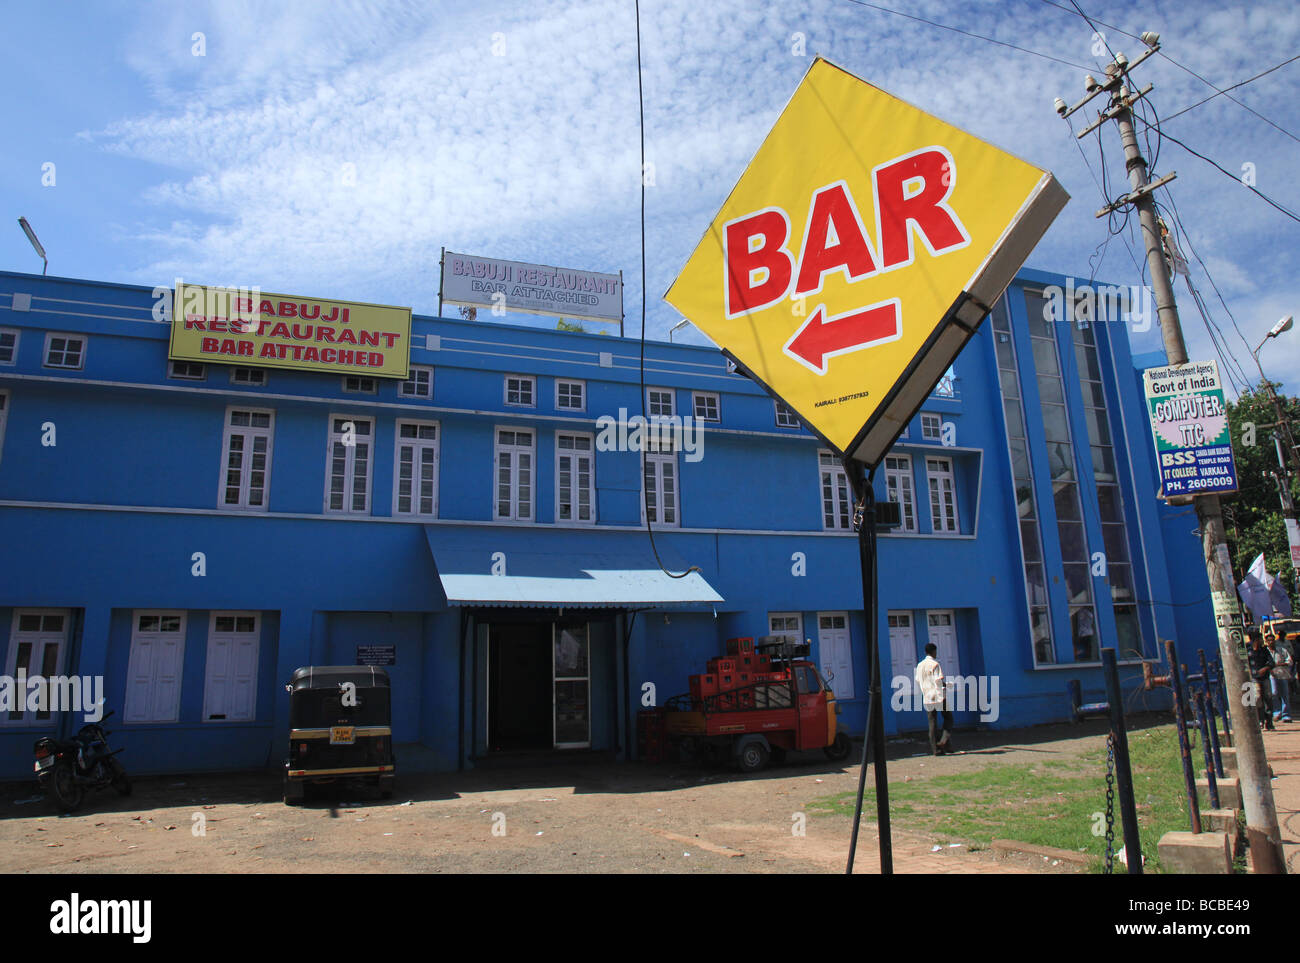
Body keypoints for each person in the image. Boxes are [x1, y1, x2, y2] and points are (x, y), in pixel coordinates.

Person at [914, 643, 954, 755]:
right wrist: (948, 685)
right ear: (933, 651)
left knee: (932, 723)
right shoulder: (935, 664)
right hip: (938, 696)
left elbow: (918, 680)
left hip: (927, 697)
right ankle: (943, 741)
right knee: (949, 719)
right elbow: (938, 681)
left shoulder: (920, 665)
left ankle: (936, 749)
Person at [1247, 632, 1275, 731]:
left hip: (1265, 678)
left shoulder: (1264, 650)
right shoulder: (1247, 650)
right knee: (1257, 699)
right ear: (1255, 640)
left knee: (1268, 698)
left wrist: (1265, 668)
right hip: (1254, 679)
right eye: (1260, 639)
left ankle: (1269, 722)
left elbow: (1272, 663)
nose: (1262, 641)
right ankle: (1260, 720)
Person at [1265, 636, 1293, 723]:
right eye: (1269, 640)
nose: (1271, 642)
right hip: (1271, 675)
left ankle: (1286, 715)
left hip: (1282, 674)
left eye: (1272, 640)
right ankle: (1276, 713)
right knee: (1274, 693)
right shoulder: (1265, 652)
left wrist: (1281, 664)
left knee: (1285, 694)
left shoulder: (1282, 650)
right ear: (1266, 642)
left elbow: (1290, 661)